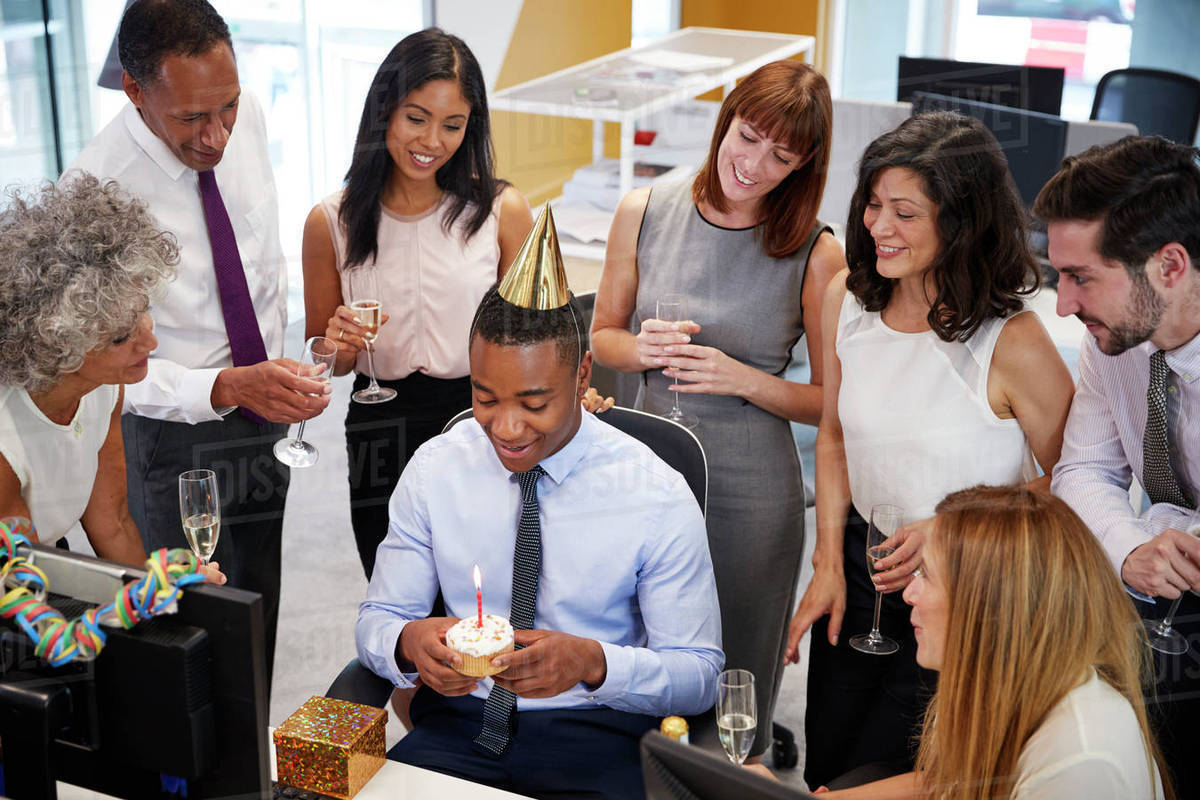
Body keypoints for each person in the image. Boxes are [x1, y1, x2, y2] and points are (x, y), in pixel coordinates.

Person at [356, 214, 723, 798]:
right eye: (484, 397)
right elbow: (377, 619)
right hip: (459, 729)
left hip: (601, 734)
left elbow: (699, 674)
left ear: (581, 376)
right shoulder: (436, 469)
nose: (506, 427)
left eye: (533, 402)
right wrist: (407, 642)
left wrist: (593, 664)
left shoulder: (654, 492)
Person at [784, 113, 1074, 787]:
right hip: (865, 562)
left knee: (907, 774)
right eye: (874, 205)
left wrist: (950, 529)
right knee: (827, 764)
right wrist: (828, 559)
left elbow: (1078, 479)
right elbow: (832, 436)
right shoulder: (847, 300)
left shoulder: (1015, 340)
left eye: (905, 213)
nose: (879, 227)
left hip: (967, 588)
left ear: (961, 221)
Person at [65, 0, 330, 681]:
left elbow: (258, 263)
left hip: (265, 410)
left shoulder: (245, 117)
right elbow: (96, 368)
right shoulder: (95, 189)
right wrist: (220, 385)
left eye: (228, 109)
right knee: (187, 632)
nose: (216, 135)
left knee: (257, 602)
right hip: (170, 435)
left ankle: (248, 780)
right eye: (191, 118)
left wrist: (277, 367)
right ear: (133, 89)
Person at [590, 59, 845, 762]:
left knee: (735, 670)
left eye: (781, 155)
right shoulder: (644, 209)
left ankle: (738, 771)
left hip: (752, 494)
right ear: (725, 119)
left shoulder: (817, 254)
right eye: (748, 136)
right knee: (637, 648)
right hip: (644, 474)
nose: (755, 164)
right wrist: (640, 350)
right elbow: (603, 332)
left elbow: (832, 404)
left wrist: (744, 378)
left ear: (804, 165)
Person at [302, 27, 533, 581]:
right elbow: (325, 362)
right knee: (398, 594)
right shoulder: (330, 221)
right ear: (384, 111)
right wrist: (332, 346)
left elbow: (536, 341)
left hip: (478, 418)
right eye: (416, 118)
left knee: (486, 592)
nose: (432, 140)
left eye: (453, 125)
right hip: (381, 423)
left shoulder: (502, 212)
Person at [811, 486, 1171, 800]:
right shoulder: (1005, 676)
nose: (910, 594)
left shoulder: (1080, 762)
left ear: (991, 605)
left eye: (929, 576)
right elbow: (952, 783)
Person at [1034, 135, 1200, 795]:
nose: (1063, 305)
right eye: (1058, 274)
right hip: (1158, 599)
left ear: (1169, 265)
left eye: (1081, 278)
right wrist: (1133, 549)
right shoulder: (1113, 342)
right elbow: (1082, 472)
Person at [0, 174, 220, 584]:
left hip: (39, 561)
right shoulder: (5, 441)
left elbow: (113, 522)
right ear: (57, 345)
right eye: (121, 336)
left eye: (143, 313)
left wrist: (157, 604)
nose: (150, 341)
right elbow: (23, 587)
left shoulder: (104, 389)